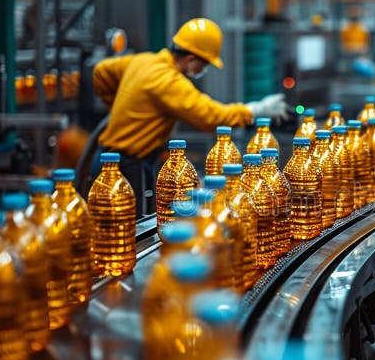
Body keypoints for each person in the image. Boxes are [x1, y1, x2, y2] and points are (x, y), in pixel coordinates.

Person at [92, 17, 291, 213]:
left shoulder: (144, 61)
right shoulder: (168, 81)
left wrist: (115, 103)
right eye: (204, 65)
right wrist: (256, 110)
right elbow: (211, 117)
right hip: (126, 168)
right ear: (191, 59)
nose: (203, 70)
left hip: (108, 158)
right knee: (129, 233)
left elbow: (101, 71)